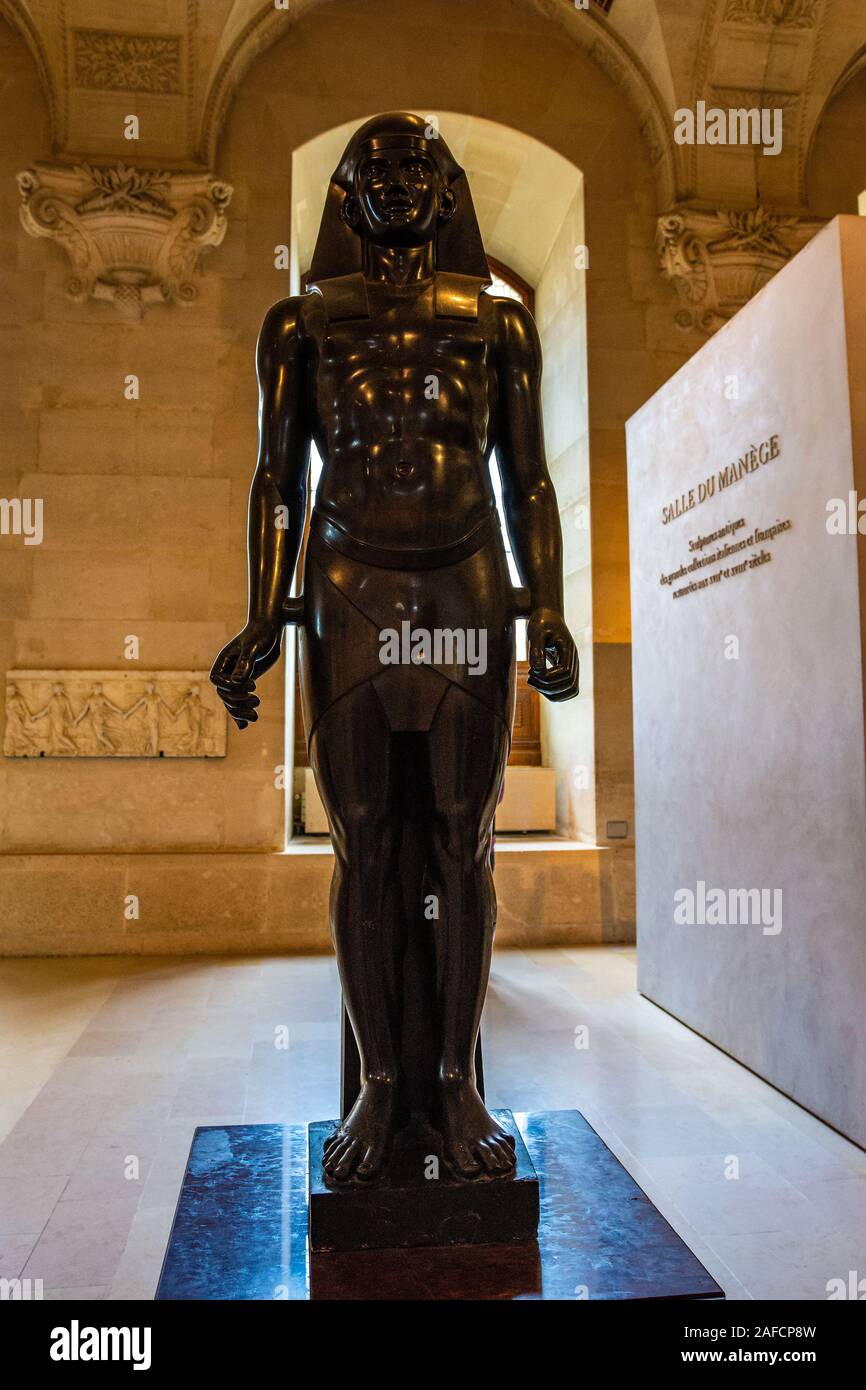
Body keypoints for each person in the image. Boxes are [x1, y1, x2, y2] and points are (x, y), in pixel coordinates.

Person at [211, 112, 578, 1184]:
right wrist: (257, 610)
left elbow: (530, 479)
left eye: (421, 166)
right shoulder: (302, 324)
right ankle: (378, 1088)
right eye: (377, 169)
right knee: (363, 844)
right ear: (346, 196)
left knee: (463, 843)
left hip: (462, 579)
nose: (402, 183)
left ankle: (456, 1084)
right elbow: (275, 480)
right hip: (346, 589)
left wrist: (544, 607)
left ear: (447, 187)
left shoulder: (496, 323)